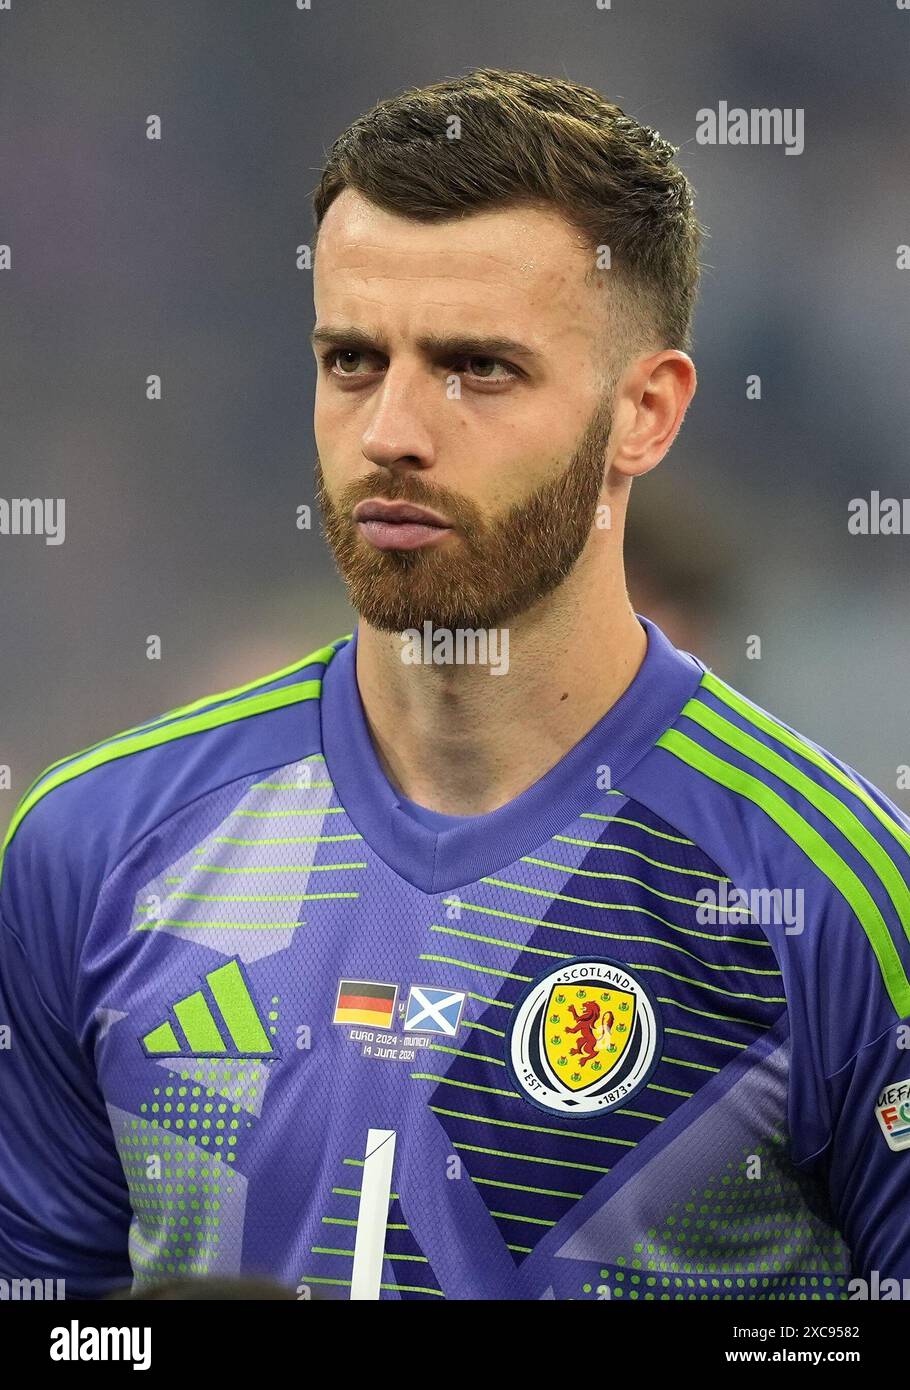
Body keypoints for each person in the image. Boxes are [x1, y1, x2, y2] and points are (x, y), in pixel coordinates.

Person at [1, 67, 908, 1302]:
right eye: (352, 359)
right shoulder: (91, 847)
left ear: (644, 413)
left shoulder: (827, 895)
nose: (391, 432)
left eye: (477, 367)